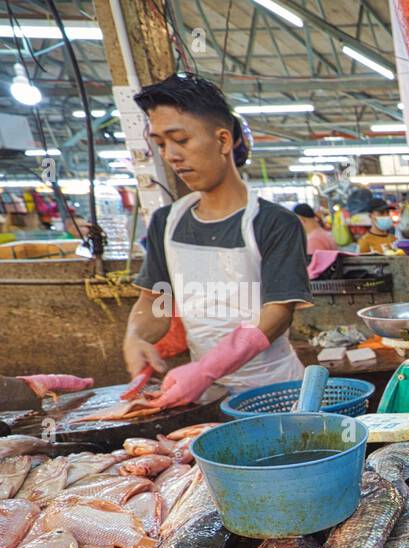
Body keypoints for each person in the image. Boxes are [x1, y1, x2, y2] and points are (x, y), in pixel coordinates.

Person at [124, 74, 309, 405]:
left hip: (276, 390)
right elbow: (158, 302)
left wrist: (206, 369)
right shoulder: (166, 223)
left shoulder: (273, 223)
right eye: (161, 143)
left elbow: (278, 314)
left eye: (180, 139)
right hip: (206, 395)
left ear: (223, 141)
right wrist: (135, 336)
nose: (171, 155)